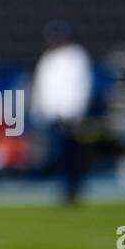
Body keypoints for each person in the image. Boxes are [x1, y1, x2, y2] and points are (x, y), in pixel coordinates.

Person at [30, 20, 94, 203]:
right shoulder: (48, 59)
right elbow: (41, 87)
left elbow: (82, 85)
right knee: (58, 154)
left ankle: (74, 188)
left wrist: (77, 110)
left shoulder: (76, 56)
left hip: (70, 114)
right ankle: (64, 188)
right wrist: (39, 110)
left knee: (72, 152)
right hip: (53, 114)